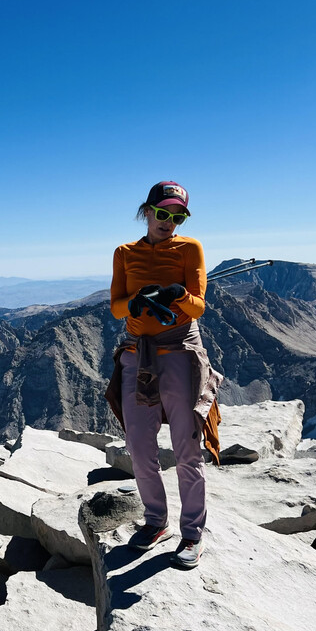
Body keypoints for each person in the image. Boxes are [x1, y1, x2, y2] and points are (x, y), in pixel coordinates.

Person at [106, 181, 222, 570]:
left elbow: (198, 306)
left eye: (177, 217)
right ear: (147, 211)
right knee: (139, 448)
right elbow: (117, 309)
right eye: (162, 213)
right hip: (138, 355)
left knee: (187, 450)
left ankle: (192, 533)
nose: (168, 222)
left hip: (180, 355)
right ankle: (157, 522)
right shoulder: (125, 253)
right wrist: (136, 302)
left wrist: (174, 293)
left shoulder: (191, 249)